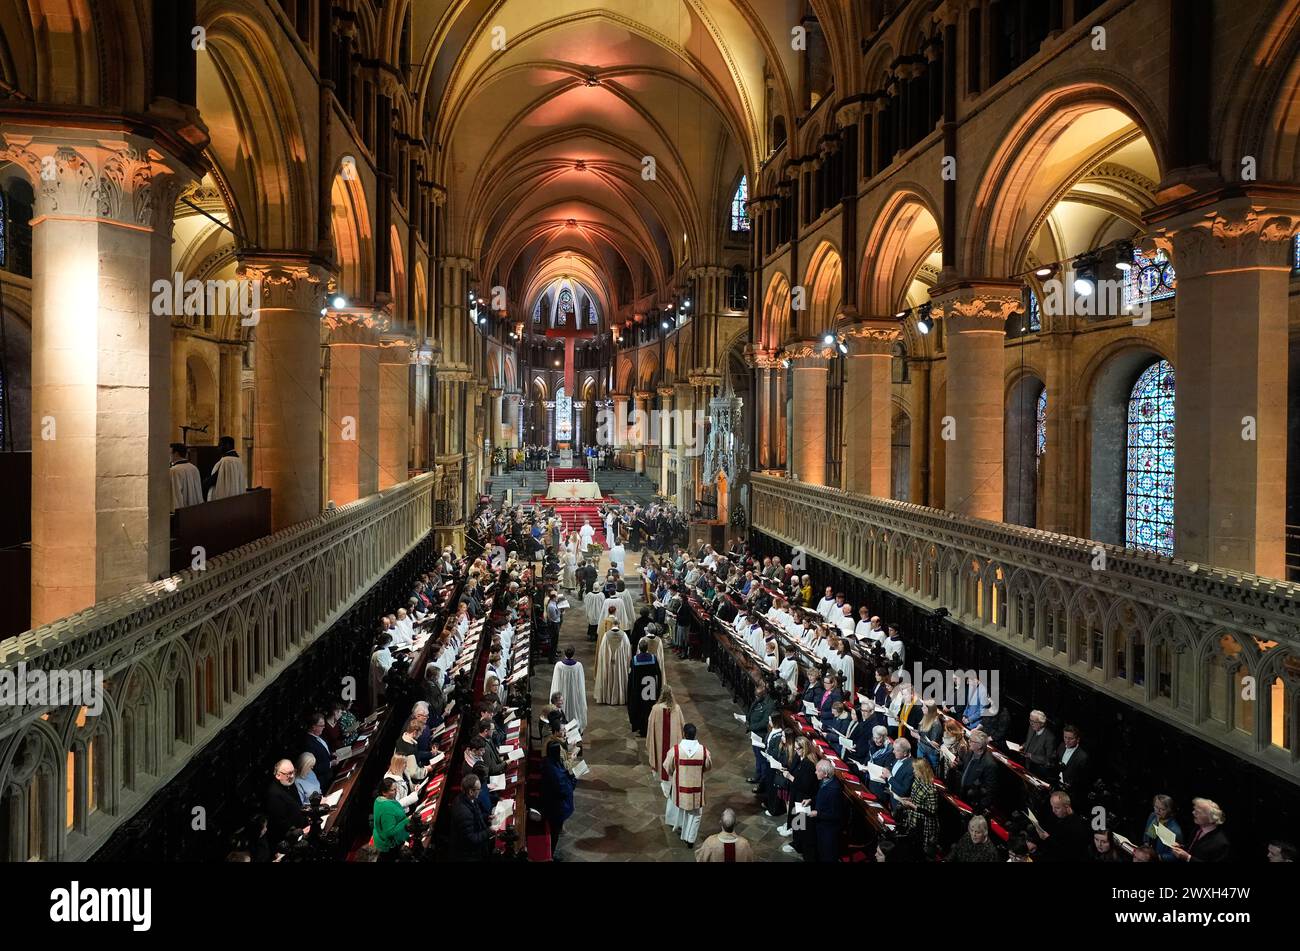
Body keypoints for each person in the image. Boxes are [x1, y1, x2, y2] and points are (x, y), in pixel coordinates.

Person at [663, 722, 712, 848]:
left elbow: (667, 767)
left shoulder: (675, 750)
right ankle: (690, 839)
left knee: (681, 809)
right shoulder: (704, 751)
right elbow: (707, 767)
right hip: (697, 789)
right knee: (696, 814)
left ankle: (680, 828)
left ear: (684, 734)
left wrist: (676, 773)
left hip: (680, 789)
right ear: (695, 734)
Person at [1027, 790, 1090, 862]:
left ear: (1067, 807)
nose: (1053, 811)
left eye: (1057, 808)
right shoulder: (1059, 816)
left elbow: (1068, 853)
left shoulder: (1077, 827)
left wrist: (1047, 838)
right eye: (1052, 807)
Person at [540, 736, 576, 857]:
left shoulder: (548, 762)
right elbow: (563, 790)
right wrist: (573, 779)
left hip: (551, 802)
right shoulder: (554, 770)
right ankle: (550, 854)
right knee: (554, 833)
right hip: (556, 806)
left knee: (555, 829)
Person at [895, 756, 938, 858]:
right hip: (913, 816)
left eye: (915, 769)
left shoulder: (931, 789)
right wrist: (908, 800)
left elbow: (932, 811)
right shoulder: (917, 780)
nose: (913, 771)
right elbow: (914, 797)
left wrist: (914, 806)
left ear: (922, 770)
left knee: (919, 848)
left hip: (923, 822)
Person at [447, 773, 494, 861]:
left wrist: (487, 817)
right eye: (479, 789)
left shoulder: (469, 798)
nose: (480, 791)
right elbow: (471, 839)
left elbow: (476, 816)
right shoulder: (463, 813)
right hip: (468, 853)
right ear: (471, 791)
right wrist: (489, 831)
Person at [647, 685, 684, 793]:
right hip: (673, 743)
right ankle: (671, 782)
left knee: (660, 757)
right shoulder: (676, 708)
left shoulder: (655, 709)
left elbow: (650, 727)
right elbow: (682, 726)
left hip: (659, 744)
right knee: (672, 760)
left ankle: (664, 783)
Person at [806, 758, 845, 862]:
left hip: (829, 831)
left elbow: (836, 814)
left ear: (826, 774)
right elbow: (821, 797)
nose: (815, 772)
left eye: (818, 771)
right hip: (822, 826)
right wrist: (811, 800)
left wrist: (817, 813)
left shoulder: (834, 791)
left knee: (828, 856)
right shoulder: (825, 781)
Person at [626, 638, 662, 736]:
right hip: (651, 690)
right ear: (647, 648)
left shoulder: (635, 660)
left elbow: (631, 677)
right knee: (649, 709)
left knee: (640, 709)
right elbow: (658, 674)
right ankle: (649, 727)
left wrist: (631, 692)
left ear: (639, 648)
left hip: (639, 691)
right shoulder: (653, 658)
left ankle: (641, 729)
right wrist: (658, 689)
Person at [956, 729, 999, 812]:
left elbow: (990, 791)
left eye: (971, 741)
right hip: (962, 793)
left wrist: (978, 809)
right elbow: (965, 767)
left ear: (979, 745)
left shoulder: (990, 764)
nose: (968, 741)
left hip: (973, 802)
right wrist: (958, 765)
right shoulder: (971, 752)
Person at [265, 759, 306, 844]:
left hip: (303, 827)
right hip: (292, 837)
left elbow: (298, 805)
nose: (292, 776)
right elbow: (281, 822)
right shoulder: (274, 794)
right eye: (288, 774)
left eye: (293, 772)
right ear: (278, 775)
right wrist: (299, 831)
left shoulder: (289, 783)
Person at [549, 646, 588, 732]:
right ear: (573, 653)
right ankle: (574, 727)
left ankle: (562, 726)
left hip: (562, 692)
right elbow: (581, 683)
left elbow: (556, 682)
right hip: (574, 694)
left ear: (565, 653)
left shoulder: (558, 665)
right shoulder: (578, 666)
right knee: (573, 709)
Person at [744, 681, 776, 784]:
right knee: (757, 756)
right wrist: (747, 719)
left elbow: (765, 722)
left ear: (764, 694)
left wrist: (751, 727)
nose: (756, 697)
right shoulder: (759, 700)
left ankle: (762, 780)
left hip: (761, 735)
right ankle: (758, 776)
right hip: (755, 733)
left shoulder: (770, 705)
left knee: (761, 758)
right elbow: (752, 710)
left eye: (758, 696)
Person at [594, 616, 631, 704]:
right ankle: (620, 698)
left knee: (608, 676)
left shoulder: (606, 636)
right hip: (620, 663)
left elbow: (602, 652)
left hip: (608, 663)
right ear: (619, 625)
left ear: (612, 625)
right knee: (619, 677)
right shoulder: (624, 636)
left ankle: (607, 697)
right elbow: (628, 652)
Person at [1142, 793, 1183, 861]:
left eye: (1162, 809)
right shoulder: (1152, 816)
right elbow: (1146, 836)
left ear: (1169, 810)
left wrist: (1157, 858)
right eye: (1156, 807)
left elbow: (1175, 856)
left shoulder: (1174, 830)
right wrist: (1145, 847)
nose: (1157, 811)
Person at [205, 434, 247, 501]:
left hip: (224, 499)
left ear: (227, 445)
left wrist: (205, 483)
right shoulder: (238, 460)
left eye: (220, 445)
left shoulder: (226, 461)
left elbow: (214, 479)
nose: (218, 447)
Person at [1022, 709, 1057, 781]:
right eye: (1030, 720)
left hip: (1037, 771)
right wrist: (1023, 746)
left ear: (1042, 723)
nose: (1031, 723)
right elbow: (1030, 742)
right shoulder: (1031, 728)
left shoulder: (1050, 738)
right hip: (1025, 764)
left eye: (1034, 722)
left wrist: (1031, 756)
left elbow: (1048, 759)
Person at [303, 713, 333, 789]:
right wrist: (330, 764)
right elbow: (313, 768)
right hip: (324, 782)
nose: (324, 727)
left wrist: (332, 754)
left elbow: (324, 753)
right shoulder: (308, 744)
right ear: (313, 727)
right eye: (321, 726)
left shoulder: (319, 736)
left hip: (330, 775)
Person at [169, 443, 203, 510]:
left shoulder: (173, 471)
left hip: (182, 511)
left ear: (176, 453)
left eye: (169, 452)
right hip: (195, 508)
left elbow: (175, 495)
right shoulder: (194, 468)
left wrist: (174, 513)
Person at [1055, 724, 1089, 792]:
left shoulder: (1082, 756)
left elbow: (1082, 778)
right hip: (1056, 782)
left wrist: (1071, 784)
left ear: (1078, 739)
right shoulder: (1061, 745)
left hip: (1069, 789)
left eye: (1071, 738)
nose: (1067, 741)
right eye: (1065, 737)